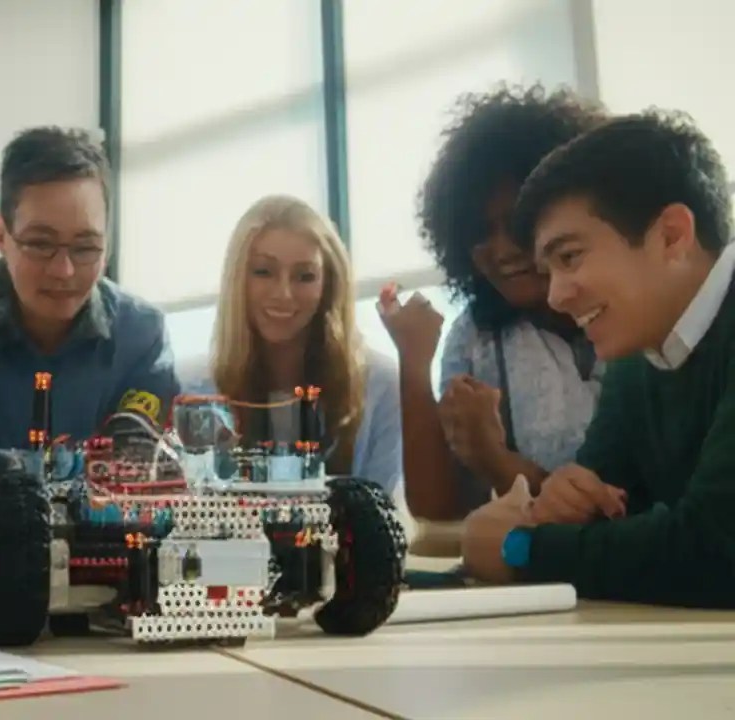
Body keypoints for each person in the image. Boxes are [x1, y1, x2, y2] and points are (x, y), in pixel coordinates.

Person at [462, 110, 735, 606]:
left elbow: (712, 551)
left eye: (569, 257)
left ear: (672, 236)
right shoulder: (639, 357)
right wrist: (564, 504)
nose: (555, 296)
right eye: (548, 270)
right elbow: (603, 515)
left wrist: (518, 549)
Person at [377, 84, 607, 521]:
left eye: (518, 223)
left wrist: (496, 460)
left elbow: (624, 506)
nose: (502, 250)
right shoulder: (475, 338)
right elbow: (437, 509)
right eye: (479, 232)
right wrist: (414, 361)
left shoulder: (628, 310)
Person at [0, 126, 179, 472]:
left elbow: (138, 470)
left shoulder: (141, 335)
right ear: (1, 234)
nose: (63, 271)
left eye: (85, 248)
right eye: (41, 244)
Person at [176, 195, 402, 494]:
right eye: (263, 272)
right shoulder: (190, 392)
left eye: (304, 276)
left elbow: (385, 510)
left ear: (329, 284)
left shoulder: (381, 385)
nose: (283, 293)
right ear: (237, 278)